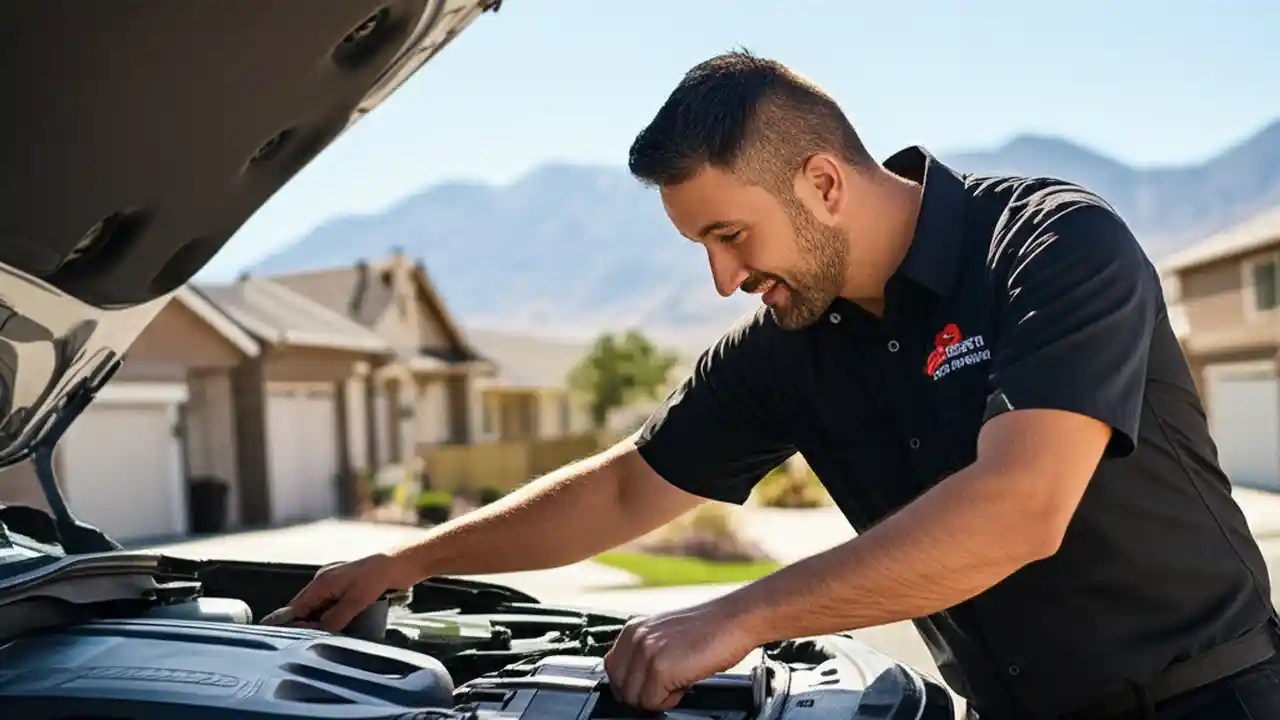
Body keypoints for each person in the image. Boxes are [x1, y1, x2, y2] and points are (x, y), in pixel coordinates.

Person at [277, 51, 1280, 719]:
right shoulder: (789, 340)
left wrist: (738, 614)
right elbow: (630, 486)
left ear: (823, 183)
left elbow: (1019, 508)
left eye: (729, 235)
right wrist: (404, 563)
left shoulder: (1049, 245)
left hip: (1208, 699)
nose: (722, 278)